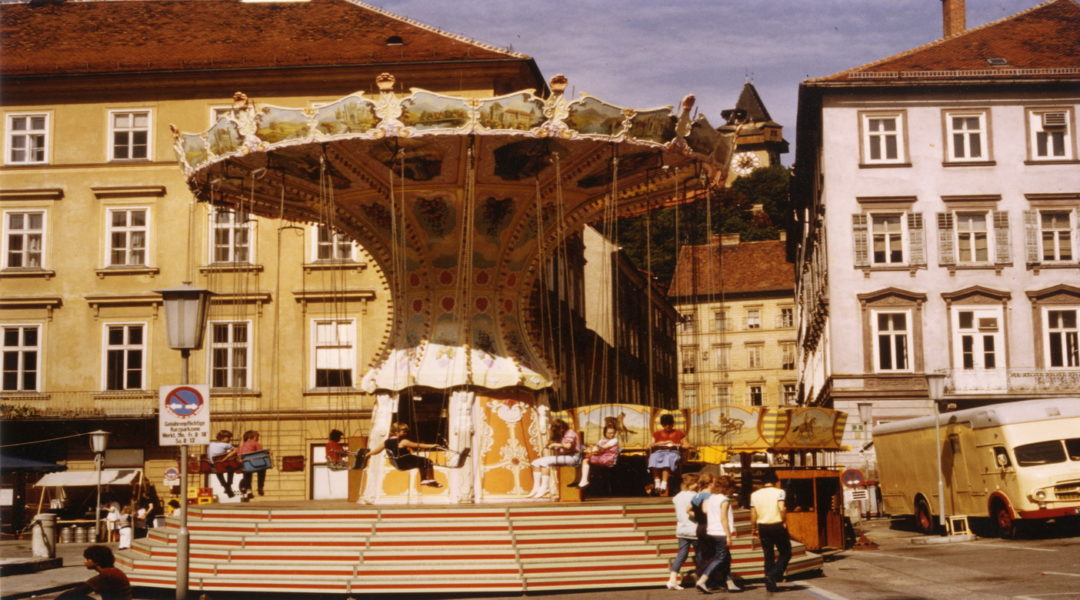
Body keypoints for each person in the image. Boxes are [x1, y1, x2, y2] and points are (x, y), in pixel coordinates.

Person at [750, 470, 791, 592]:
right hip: (777, 525)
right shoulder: (780, 492)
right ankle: (773, 575)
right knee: (785, 552)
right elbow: (781, 508)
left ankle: (770, 583)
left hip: (763, 526)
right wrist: (784, 521)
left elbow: (753, 513)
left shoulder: (754, 495)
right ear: (774, 481)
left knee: (768, 555)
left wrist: (753, 528)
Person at [368, 422, 443, 487]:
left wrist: (368, 454)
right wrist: (432, 445)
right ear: (396, 432)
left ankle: (424, 479)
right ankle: (430, 479)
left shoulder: (386, 442)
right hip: (405, 461)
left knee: (422, 463)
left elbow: (376, 451)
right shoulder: (403, 441)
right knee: (427, 461)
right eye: (404, 431)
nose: (405, 433)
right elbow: (418, 445)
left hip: (398, 464)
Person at [695, 477, 737, 594]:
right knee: (721, 557)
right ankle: (703, 580)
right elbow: (724, 518)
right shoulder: (725, 500)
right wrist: (728, 535)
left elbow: (705, 510)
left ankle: (729, 582)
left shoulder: (711, 498)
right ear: (727, 488)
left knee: (721, 557)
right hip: (720, 532)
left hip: (711, 530)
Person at [527, 419, 581, 499]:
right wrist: (550, 445)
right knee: (535, 463)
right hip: (565, 456)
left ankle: (545, 487)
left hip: (573, 457)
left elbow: (568, 446)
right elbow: (561, 447)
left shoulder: (570, 433)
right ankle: (536, 487)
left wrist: (555, 444)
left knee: (544, 462)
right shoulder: (561, 435)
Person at [56, 545, 132, 600]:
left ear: (96, 561)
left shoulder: (106, 575)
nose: (85, 562)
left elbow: (78, 591)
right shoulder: (114, 571)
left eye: (87, 559)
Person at [666, 472, 700, 590]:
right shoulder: (696, 496)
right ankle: (701, 578)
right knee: (700, 554)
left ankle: (672, 579)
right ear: (695, 484)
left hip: (682, 528)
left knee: (682, 554)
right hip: (695, 528)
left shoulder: (677, 497)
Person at [647, 413, 690, 497]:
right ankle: (657, 483)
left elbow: (687, 445)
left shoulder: (679, 433)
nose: (667, 426)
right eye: (665, 424)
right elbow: (648, 445)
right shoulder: (657, 434)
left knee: (667, 458)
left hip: (672, 452)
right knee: (653, 457)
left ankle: (664, 483)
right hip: (659, 452)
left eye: (669, 424)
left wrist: (679, 445)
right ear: (662, 424)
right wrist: (663, 442)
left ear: (672, 424)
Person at [570, 424, 619, 492]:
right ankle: (578, 479)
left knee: (585, 460)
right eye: (609, 433)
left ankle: (584, 480)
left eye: (613, 433)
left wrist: (592, 450)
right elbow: (597, 449)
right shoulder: (601, 441)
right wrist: (589, 450)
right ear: (605, 433)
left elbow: (604, 447)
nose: (612, 435)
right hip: (601, 456)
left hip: (608, 458)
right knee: (581, 459)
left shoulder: (614, 440)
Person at [207, 429, 239, 498]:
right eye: (229, 438)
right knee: (231, 470)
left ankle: (225, 487)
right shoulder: (226, 445)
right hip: (223, 463)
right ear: (223, 438)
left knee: (219, 473)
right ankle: (229, 485)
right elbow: (236, 450)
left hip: (214, 464)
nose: (230, 439)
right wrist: (228, 455)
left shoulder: (211, 444)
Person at [237, 430, 267, 498]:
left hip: (246, 464)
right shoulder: (255, 443)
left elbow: (239, 455)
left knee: (247, 475)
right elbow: (260, 453)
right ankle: (260, 487)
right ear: (254, 437)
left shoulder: (241, 446)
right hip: (254, 463)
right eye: (257, 437)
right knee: (262, 470)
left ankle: (249, 490)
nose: (258, 438)